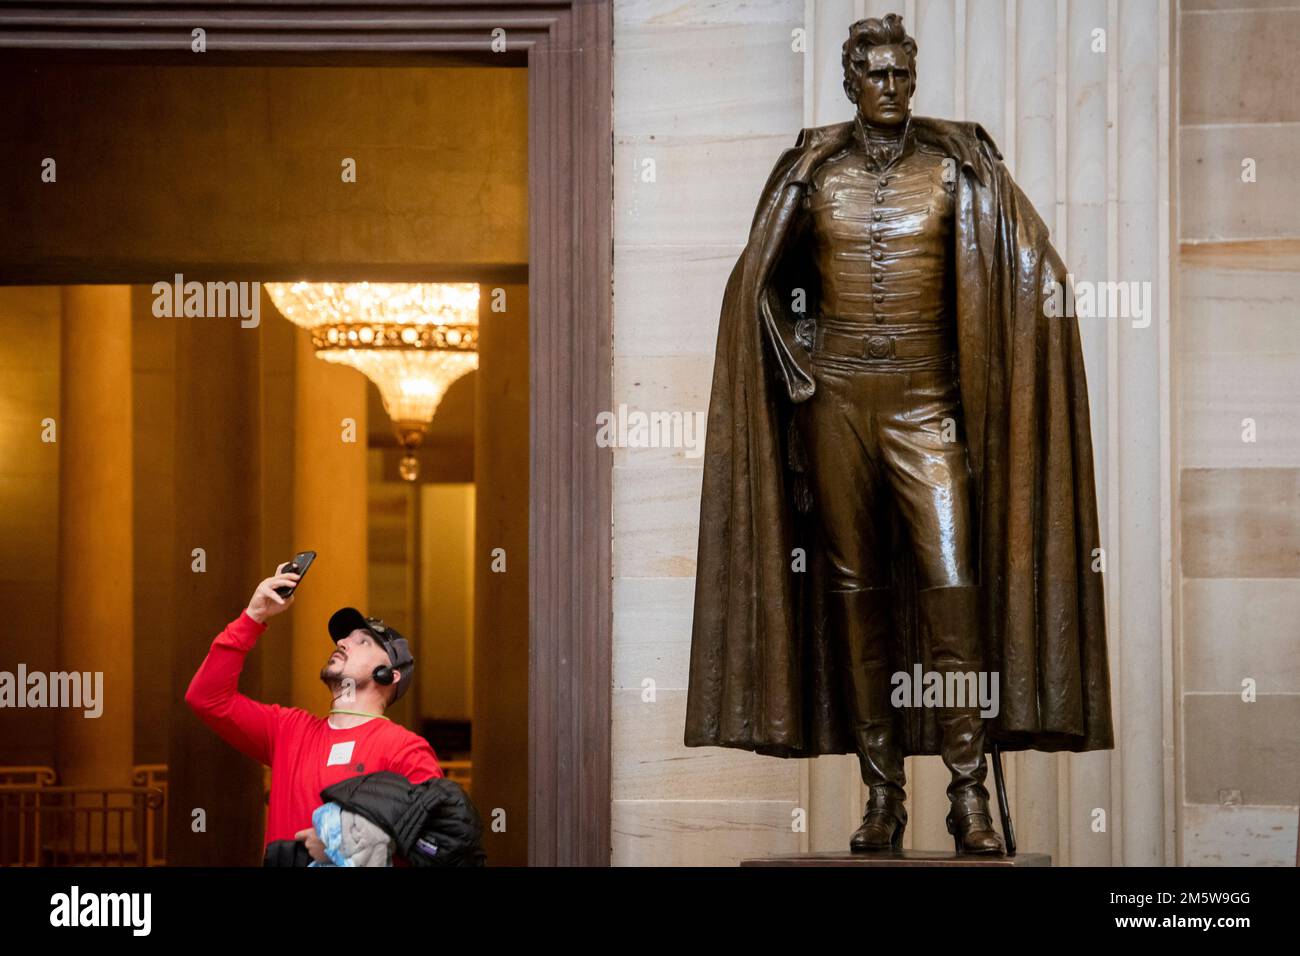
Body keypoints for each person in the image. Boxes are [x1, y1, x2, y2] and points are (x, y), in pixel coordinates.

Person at [185, 563, 443, 863]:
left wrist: (349, 845)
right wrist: (253, 617)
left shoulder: (405, 750)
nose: (342, 642)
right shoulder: (289, 729)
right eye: (343, 639)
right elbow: (206, 698)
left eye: (363, 641)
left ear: (389, 674)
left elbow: (437, 845)